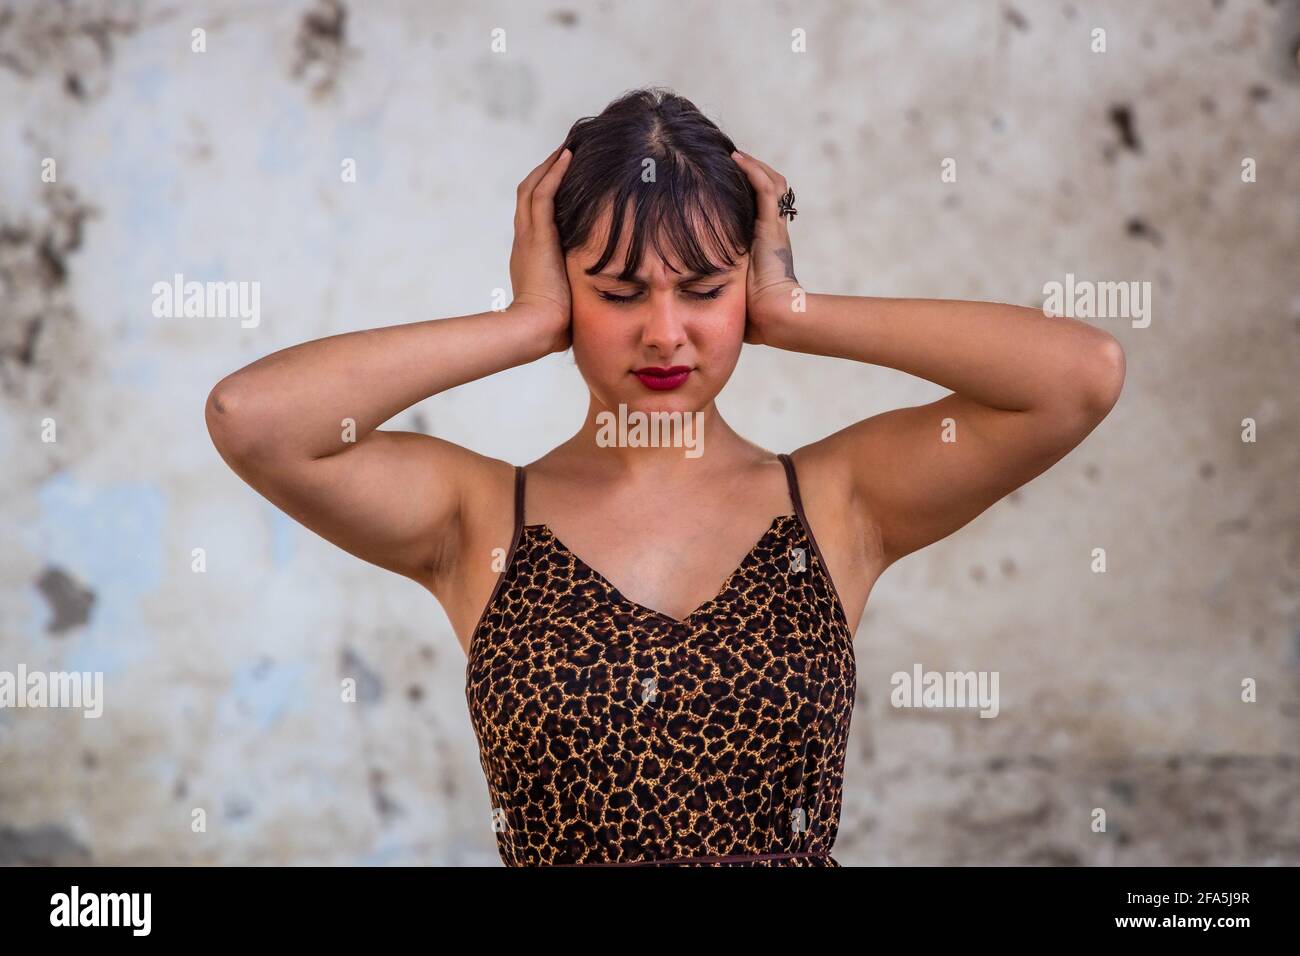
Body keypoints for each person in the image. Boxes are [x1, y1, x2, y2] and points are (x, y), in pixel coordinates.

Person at [205, 88, 1124, 866]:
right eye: (617, 292)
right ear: (563, 287)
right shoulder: (477, 515)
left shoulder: (839, 502)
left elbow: (1078, 376)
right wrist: (522, 324)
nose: (664, 333)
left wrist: (797, 309)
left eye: (702, 289)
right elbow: (253, 420)